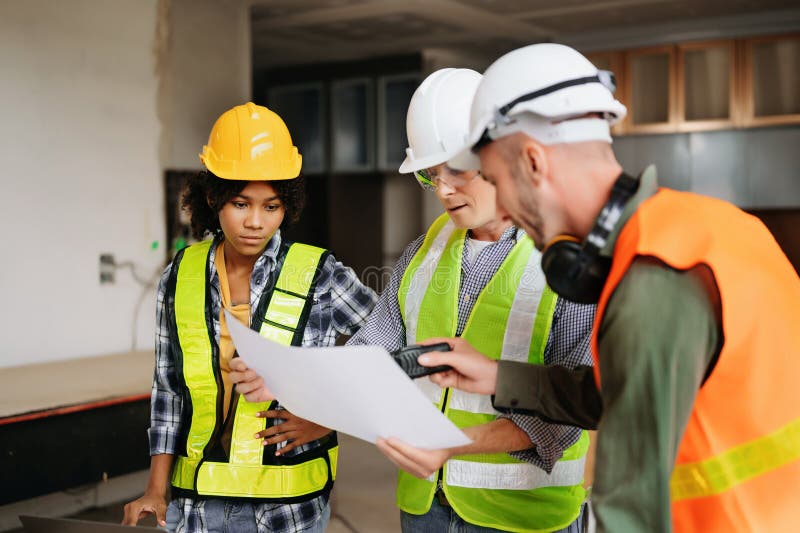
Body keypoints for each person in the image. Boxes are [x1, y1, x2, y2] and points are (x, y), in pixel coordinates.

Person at [412, 43, 800, 532]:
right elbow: (627, 393)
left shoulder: (655, 280)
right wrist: (499, 377)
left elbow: (627, 514)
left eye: (495, 179)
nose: (503, 210)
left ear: (533, 162)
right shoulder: (712, 227)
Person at [236, 68, 595, 533]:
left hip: (524, 516)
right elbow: (371, 356)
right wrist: (289, 381)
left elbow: (574, 405)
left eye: (456, 169)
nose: (443, 189)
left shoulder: (566, 258)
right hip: (426, 508)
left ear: (497, 155)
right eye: (430, 174)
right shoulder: (426, 251)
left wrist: (454, 444)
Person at [122, 103, 377, 533]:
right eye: (241, 203)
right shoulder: (180, 276)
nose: (256, 222)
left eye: (271, 206)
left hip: (287, 512)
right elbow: (168, 390)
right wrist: (155, 489)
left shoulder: (320, 274)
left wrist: (326, 419)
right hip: (196, 507)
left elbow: (387, 354)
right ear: (213, 197)